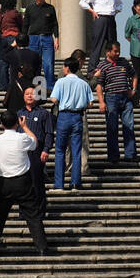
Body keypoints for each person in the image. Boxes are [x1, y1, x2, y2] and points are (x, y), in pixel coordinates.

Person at [0, 109, 49, 259]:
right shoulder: (22, 138)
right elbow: (34, 142)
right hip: (22, 180)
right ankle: (42, 247)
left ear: (1, 125)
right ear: (17, 122)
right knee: (33, 215)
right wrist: (25, 127)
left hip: (4, 181)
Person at [48, 56, 92, 191]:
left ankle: (59, 184)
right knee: (76, 150)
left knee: (60, 150)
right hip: (78, 116)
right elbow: (90, 103)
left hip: (64, 116)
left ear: (67, 68)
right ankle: (75, 183)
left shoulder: (61, 82)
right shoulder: (83, 83)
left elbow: (54, 99)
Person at [95, 40, 137, 164]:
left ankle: (130, 154)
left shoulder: (124, 62)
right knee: (112, 128)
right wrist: (101, 102)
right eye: (115, 51)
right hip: (111, 98)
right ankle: (113, 156)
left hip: (125, 97)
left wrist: (133, 89)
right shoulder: (102, 66)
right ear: (108, 52)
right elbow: (99, 85)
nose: (118, 53)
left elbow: (134, 75)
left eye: (119, 51)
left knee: (129, 126)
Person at [20, 83, 53, 213]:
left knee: (37, 182)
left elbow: (49, 133)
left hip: (37, 153)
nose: (29, 96)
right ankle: (24, 211)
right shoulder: (19, 113)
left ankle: (40, 210)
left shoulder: (44, 113)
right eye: (27, 94)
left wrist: (46, 149)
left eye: (32, 94)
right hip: (22, 153)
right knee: (23, 184)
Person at [80, 0, 121, 75]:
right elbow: (82, 2)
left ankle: (113, 68)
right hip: (100, 19)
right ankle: (91, 70)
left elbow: (120, 4)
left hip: (111, 19)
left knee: (113, 45)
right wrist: (92, 11)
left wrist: (116, 10)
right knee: (97, 45)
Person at [24, 0, 59, 91]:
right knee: (35, 64)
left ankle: (49, 87)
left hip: (47, 38)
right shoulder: (29, 8)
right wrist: (24, 40)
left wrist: (56, 39)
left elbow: (55, 24)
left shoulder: (50, 8)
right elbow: (25, 25)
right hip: (33, 39)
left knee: (48, 63)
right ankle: (37, 87)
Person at [0, 0, 23, 90]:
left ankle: (3, 84)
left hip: (3, 38)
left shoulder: (1, 14)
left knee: (4, 62)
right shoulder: (14, 13)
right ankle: (12, 83)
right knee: (14, 62)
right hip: (13, 37)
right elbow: (21, 24)